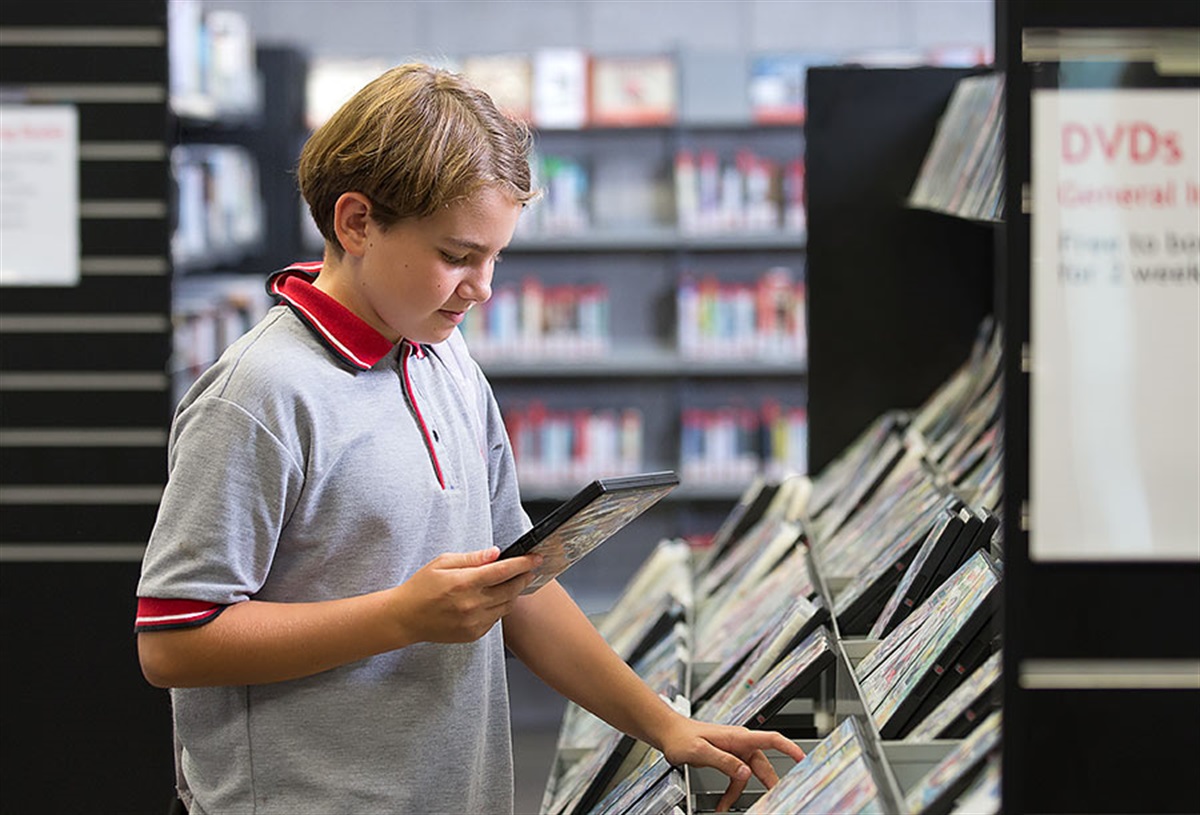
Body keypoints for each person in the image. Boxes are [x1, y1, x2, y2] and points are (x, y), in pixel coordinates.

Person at [136, 62, 804, 814]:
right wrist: (400, 617)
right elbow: (173, 642)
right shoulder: (258, 396)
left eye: (495, 257)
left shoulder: (444, 354)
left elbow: (518, 584)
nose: (483, 287)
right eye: (456, 256)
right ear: (356, 222)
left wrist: (666, 727)